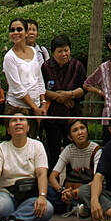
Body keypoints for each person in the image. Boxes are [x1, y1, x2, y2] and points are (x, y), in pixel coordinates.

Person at [40, 34, 87, 167]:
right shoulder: (45, 67)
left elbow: (84, 88)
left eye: (66, 50)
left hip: (72, 116)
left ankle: (72, 180)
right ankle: (52, 181)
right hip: (52, 117)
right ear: (53, 52)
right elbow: (41, 89)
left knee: (73, 151)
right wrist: (58, 98)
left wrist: (69, 95)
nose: (64, 54)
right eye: (60, 51)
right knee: (53, 151)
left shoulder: (77, 66)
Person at [46, 118, 101, 216]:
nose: (80, 132)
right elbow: (52, 176)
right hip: (69, 191)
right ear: (70, 137)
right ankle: (75, 207)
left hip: (87, 190)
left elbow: (97, 180)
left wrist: (75, 192)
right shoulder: (69, 149)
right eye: (75, 130)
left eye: (82, 128)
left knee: (90, 194)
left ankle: (77, 207)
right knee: (47, 190)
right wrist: (62, 190)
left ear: (87, 131)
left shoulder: (96, 150)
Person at [2, 20, 46, 120]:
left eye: (19, 29)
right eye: (12, 30)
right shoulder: (9, 57)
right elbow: (17, 89)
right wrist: (35, 108)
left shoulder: (33, 51)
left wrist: (43, 103)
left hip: (36, 107)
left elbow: (39, 78)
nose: (15, 32)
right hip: (17, 109)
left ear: (26, 32)